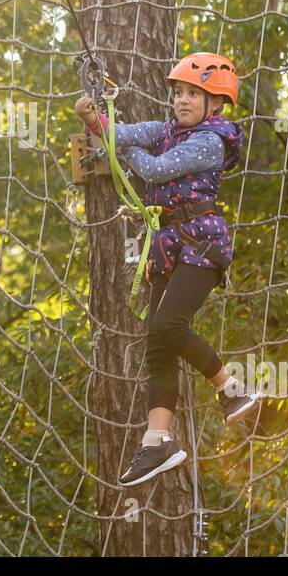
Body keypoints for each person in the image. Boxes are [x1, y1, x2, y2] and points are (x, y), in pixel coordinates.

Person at [75, 52, 262, 487]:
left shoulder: (211, 141)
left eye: (194, 94)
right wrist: (95, 121)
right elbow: (118, 134)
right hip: (169, 246)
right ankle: (157, 441)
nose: (182, 100)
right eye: (179, 92)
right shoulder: (165, 130)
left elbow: (157, 169)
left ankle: (231, 388)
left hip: (203, 245)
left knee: (169, 324)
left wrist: (122, 147)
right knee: (157, 341)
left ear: (214, 104)